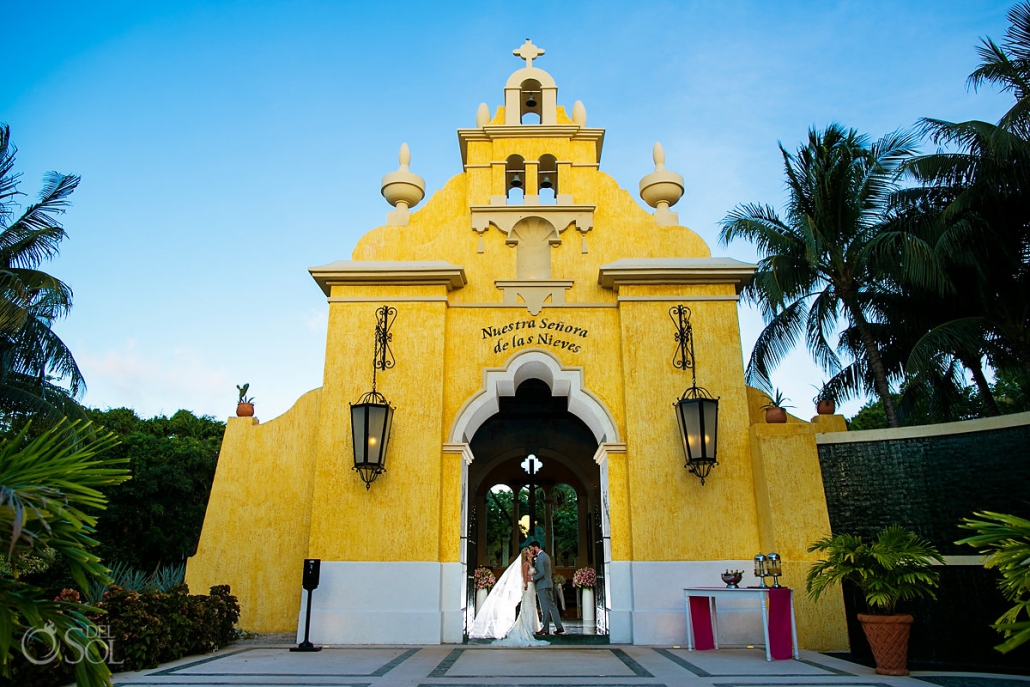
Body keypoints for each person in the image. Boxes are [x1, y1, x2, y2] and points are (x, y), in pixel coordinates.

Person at [468, 546, 548, 646]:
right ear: (526, 554)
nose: (532, 552)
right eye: (529, 551)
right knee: (527, 606)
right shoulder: (525, 564)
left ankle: (533, 625)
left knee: (532, 606)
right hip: (527, 588)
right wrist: (528, 584)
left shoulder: (532, 563)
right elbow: (524, 578)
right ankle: (526, 627)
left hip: (532, 588)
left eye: (531, 551)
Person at [529, 541, 564, 635]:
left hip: (542, 585)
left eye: (532, 549)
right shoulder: (546, 556)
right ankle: (559, 626)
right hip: (549, 584)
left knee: (544, 607)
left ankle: (545, 628)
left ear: (536, 547)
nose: (531, 551)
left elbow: (541, 573)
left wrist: (532, 578)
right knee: (552, 606)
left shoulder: (540, 558)